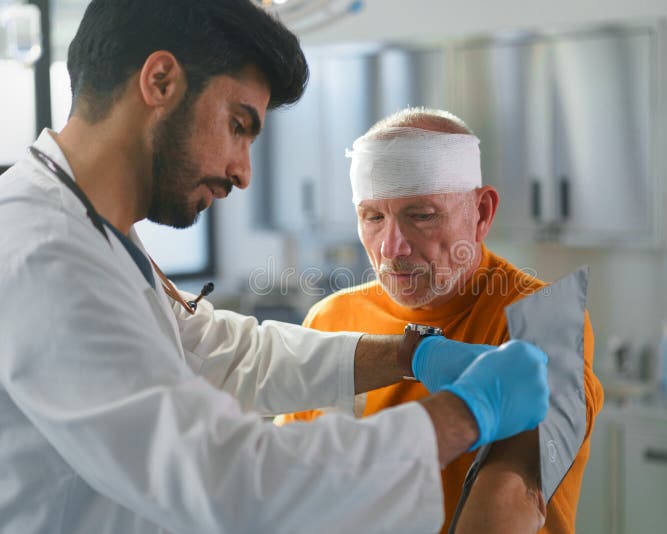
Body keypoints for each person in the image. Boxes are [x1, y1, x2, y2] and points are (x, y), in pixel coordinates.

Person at [0, 2, 551, 533]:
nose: (243, 172)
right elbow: (234, 482)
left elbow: (222, 356)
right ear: (160, 82)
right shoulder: (47, 254)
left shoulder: (94, 230)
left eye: (422, 215)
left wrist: (410, 355)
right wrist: (467, 413)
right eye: (238, 125)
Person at [277, 108, 604, 533]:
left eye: (421, 215)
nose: (391, 248)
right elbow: (288, 476)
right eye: (373, 217)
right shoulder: (331, 317)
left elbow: (514, 492)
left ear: (481, 213)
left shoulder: (542, 319)